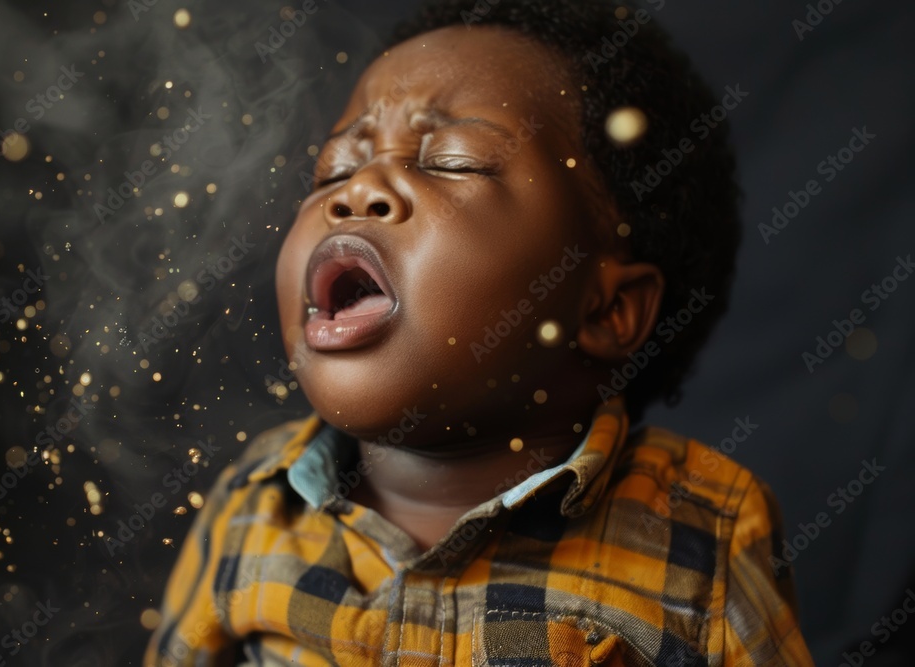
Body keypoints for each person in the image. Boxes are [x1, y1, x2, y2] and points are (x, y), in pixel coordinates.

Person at [146, 0, 813, 664]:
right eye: (335, 172)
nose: (358, 191)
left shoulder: (704, 534)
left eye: (454, 161)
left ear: (606, 309)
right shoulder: (250, 505)